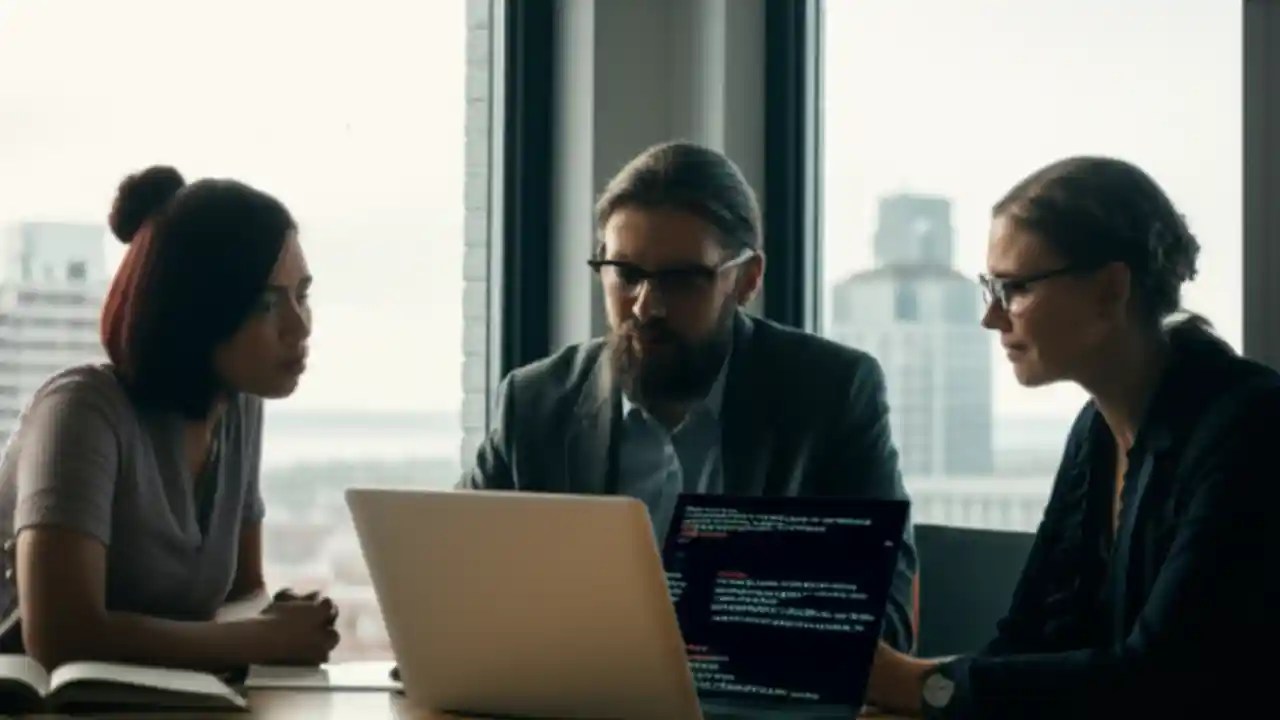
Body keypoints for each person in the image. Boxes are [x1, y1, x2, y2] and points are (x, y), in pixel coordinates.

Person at [462, 140, 917, 651]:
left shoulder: (831, 394)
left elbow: (888, 624)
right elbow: (454, 579)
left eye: (680, 280)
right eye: (625, 275)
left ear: (747, 279)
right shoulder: (534, 403)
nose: (646, 306)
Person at [866, 156, 1275, 718]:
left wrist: (917, 686)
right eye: (991, 287)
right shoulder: (1095, 431)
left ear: (1110, 290)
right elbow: (1028, 639)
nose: (992, 318)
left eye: (1016, 288)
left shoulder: (1250, 427)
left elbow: (1161, 679)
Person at [0, 166, 339, 670]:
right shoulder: (81, 411)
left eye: (302, 295)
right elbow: (60, 637)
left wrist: (276, 622)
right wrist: (264, 639)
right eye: (266, 304)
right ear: (198, 313)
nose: (299, 326)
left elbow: (241, 594)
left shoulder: (239, 408)